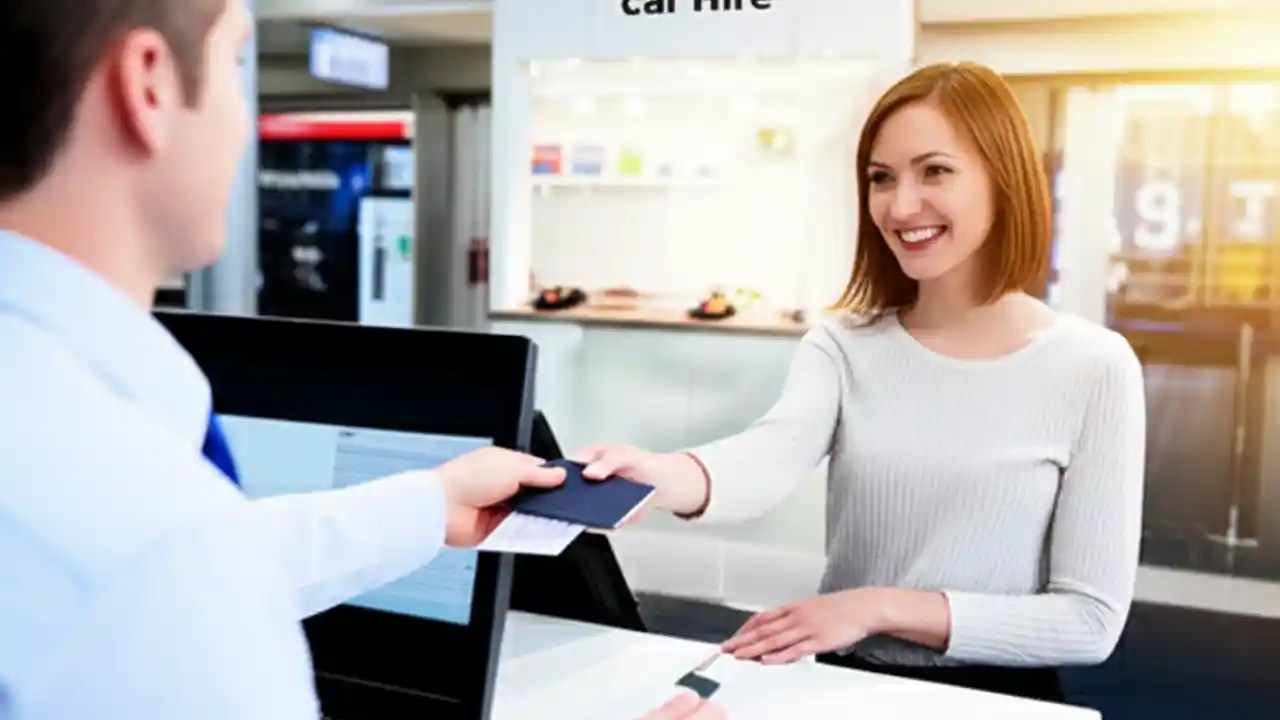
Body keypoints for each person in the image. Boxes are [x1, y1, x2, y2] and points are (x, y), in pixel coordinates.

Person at [0, 2, 721, 719]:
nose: (243, 126)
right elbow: (169, 573)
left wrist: (427, 503)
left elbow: (219, 563)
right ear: (149, 84)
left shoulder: (80, 467)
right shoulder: (140, 534)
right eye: (234, 64)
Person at [575, 62, 1147, 704]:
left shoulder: (1094, 365)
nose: (901, 206)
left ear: (1002, 179)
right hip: (846, 687)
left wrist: (878, 607)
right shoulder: (844, 344)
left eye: (935, 171)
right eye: (881, 178)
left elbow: (1089, 622)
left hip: (999, 698)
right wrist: (654, 474)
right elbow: (768, 457)